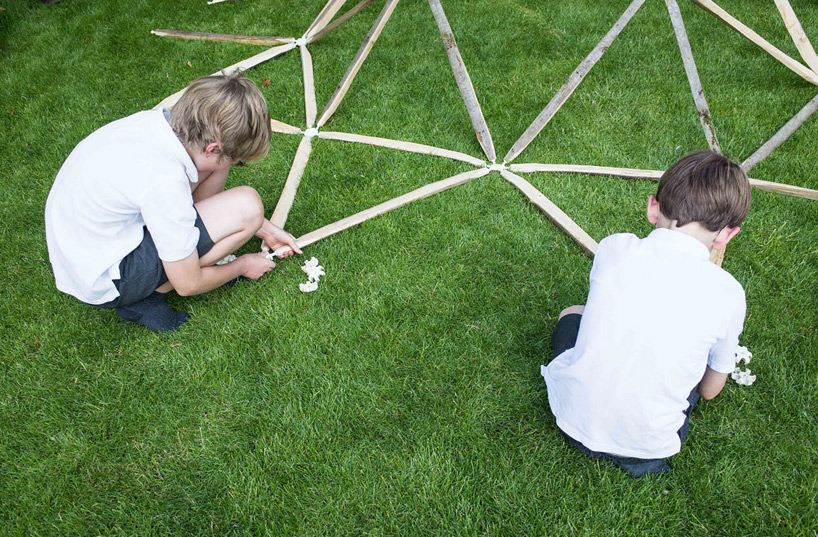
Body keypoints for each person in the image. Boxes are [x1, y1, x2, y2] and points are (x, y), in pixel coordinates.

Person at [541, 150, 751, 477]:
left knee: (573, 312)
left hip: (571, 421)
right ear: (727, 234)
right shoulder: (730, 294)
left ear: (653, 207)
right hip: (645, 451)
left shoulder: (614, 248)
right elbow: (709, 391)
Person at [45, 72, 302, 333]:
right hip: (107, 279)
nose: (237, 165)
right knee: (248, 206)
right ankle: (145, 296)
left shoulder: (158, 125)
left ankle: (180, 251)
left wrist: (264, 228)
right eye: (238, 161)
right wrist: (242, 266)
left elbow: (196, 175)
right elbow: (188, 284)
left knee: (218, 172)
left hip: (84, 248)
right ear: (212, 148)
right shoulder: (164, 182)